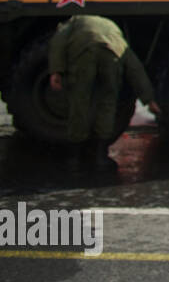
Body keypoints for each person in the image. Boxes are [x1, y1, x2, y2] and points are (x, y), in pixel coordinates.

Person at [47, 14, 161, 172]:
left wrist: (56, 70)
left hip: (84, 50)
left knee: (80, 103)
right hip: (113, 51)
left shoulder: (74, 21)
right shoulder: (114, 31)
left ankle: (74, 157)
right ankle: (100, 156)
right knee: (108, 103)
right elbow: (135, 68)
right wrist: (149, 99)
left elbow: (58, 42)